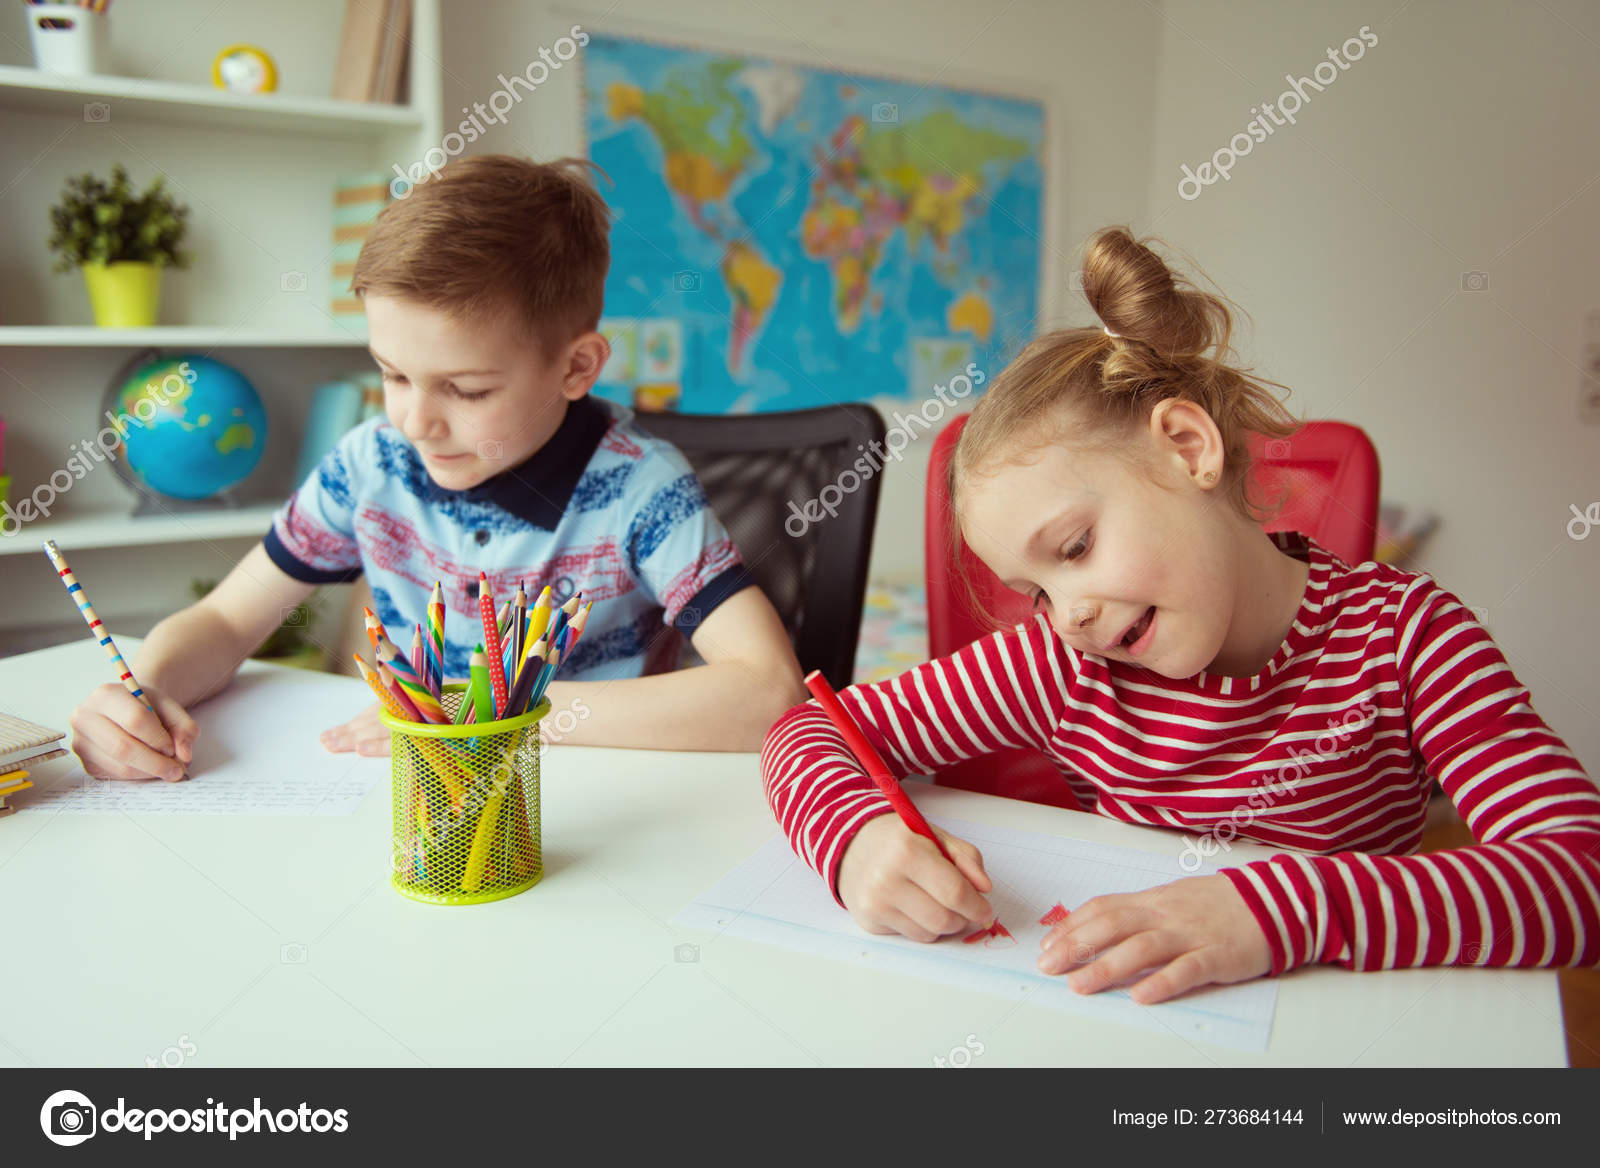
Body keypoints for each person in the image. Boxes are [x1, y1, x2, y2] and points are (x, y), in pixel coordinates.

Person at [760, 225, 1600, 1004]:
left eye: (1078, 546)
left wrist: (1282, 908)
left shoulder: (1410, 637)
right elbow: (807, 730)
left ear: (1190, 447)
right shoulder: (1065, 664)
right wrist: (855, 843)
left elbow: (1580, 876)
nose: (1068, 616)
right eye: (1039, 592)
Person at [70, 155, 805, 781]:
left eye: (466, 389)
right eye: (393, 375)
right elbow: (229, 619)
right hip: (403, 800)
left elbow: (767, 692)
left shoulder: (643, 490)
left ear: (576, 366)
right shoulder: (370, 464)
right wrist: (144, 694)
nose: (413, 421)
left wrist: (474, 719)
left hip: (580, 806)